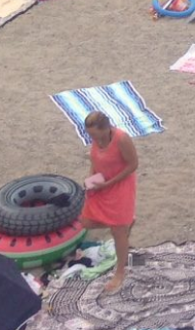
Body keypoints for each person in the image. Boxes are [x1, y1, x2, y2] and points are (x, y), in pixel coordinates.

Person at [81, 110, 138, 294]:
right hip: (100, 182)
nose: (92, 138)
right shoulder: (97, 139)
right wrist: (91, 179)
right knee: (85, 221)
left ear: (106, 129)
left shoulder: (121, 139)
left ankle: (120, 272)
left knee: (117, 230)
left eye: (94, 134)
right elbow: (94, 159)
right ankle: (128, 220)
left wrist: (109, 183)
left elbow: (133, 165)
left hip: (119, 185)